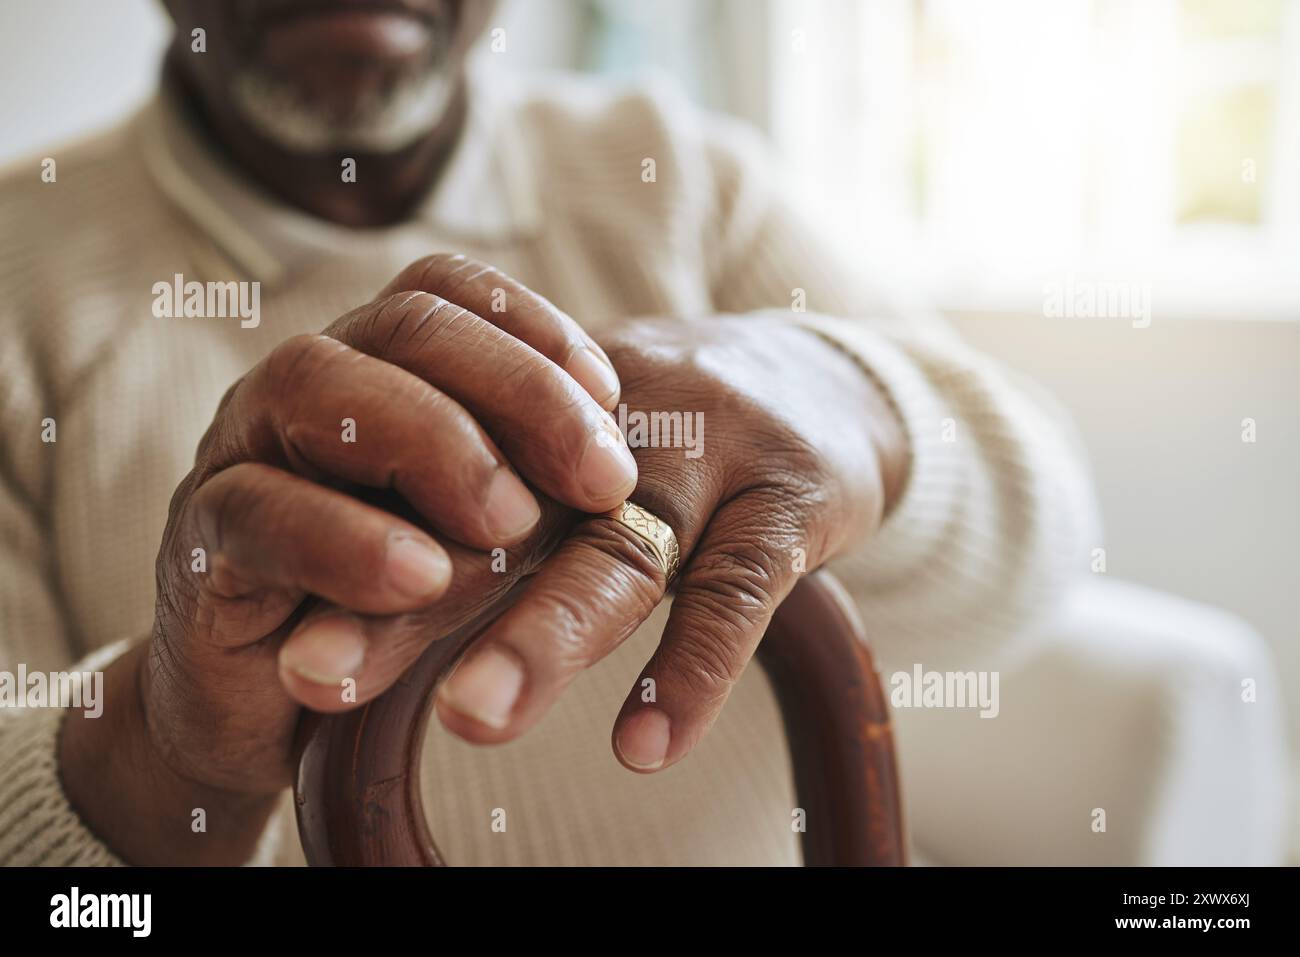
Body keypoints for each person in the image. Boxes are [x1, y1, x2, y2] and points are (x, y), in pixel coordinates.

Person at [0, 0, 1095, 865]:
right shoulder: (18, 273)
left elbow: (1048, 549)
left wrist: (849, 398)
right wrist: (166, 747)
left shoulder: (683, 179)